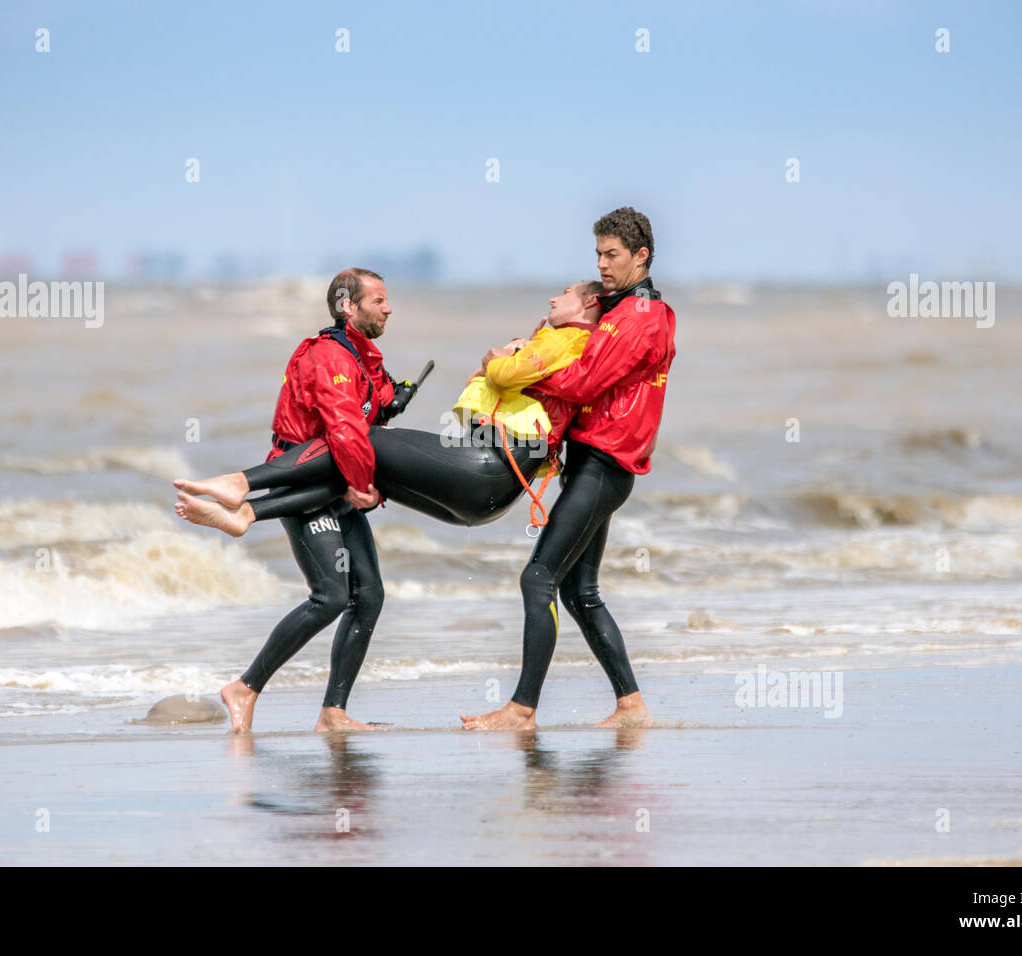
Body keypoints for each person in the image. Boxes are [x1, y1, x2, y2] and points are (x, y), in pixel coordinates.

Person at [460, 207, 676, 732]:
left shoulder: (641, 316)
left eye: (612, 255)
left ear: (641, 256)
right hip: (593, 462)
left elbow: (581, 383)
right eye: (598, 254)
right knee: (580, 592)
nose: (602, 264)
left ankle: (521, 710)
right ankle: (631, 705)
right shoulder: (617, 307)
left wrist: (506, 372)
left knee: (538, 579)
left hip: (605, 464)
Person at [172, 280, 606, 533]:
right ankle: (247, 512)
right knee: (357, 458)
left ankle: (242, 484)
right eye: (379, 302)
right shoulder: (559, 344)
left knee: (364, 441)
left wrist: (498, 359)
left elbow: (503, 376)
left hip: (490, 468)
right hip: (492, 487)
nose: (553, 299)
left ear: (587, 304)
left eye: (564, 293)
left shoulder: (568, 338)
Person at [215, 267, 398, 735]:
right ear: (347, 307)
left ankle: (332, 713)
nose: (388, 308)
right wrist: (362, 484)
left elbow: (369, 409)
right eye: (377, 300)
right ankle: (245, 687)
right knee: (331, 596)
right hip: (303, 486)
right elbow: (343, 427)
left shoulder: (361, 355)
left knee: (370, 596)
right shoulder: (328, 355)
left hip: (338, 487)